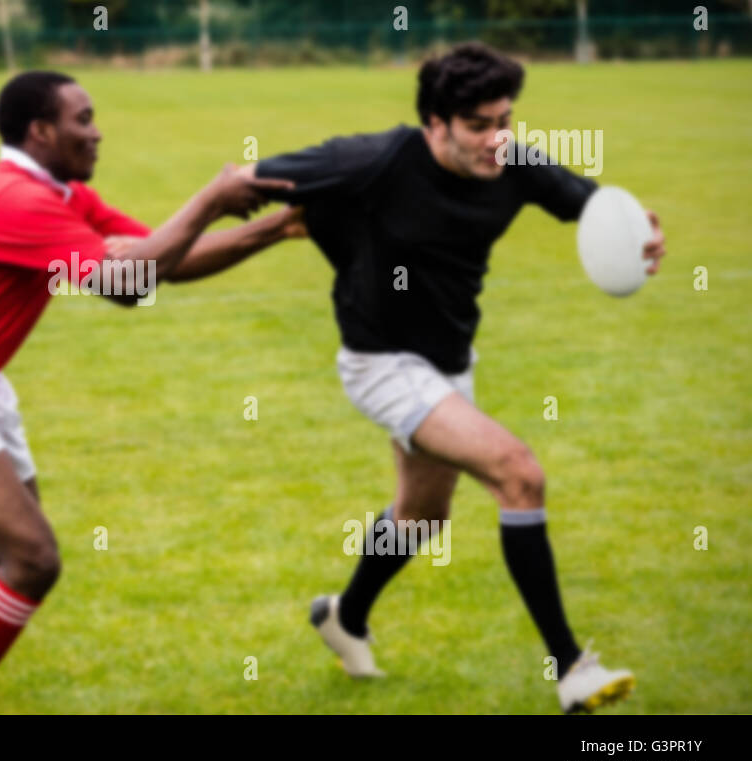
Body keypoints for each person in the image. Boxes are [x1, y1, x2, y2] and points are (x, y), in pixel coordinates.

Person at [0, 70, 303, 715]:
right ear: (40, 131)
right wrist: (212, 198)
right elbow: (128, 283)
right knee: (32, 557)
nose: (96, 131)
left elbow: (163, 258)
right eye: (83, 118)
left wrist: (272, 229)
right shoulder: (14, 201)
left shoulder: (60, 194)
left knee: (9, 549)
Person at [247, 43, 666, 713]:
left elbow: (592, 207)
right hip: (380, 363)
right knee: (518, 472)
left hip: (447, 363)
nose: (497, 138)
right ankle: (572, 669)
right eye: (478, 124)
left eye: (505, 119)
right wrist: (158, 246)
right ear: (435, 125)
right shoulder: (375, 158)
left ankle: (344, 618)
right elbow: (246, 178)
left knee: (421, 514)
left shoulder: (514, 161)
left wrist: (638, 227)